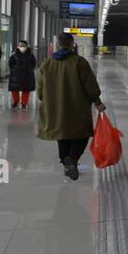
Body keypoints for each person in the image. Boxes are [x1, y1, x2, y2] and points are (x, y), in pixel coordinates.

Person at [37, 32, 105, 180]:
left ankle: (66, 161)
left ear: (57, 45)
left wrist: (44, 98)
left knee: (61, 134)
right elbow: (90, 85)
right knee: (82, 134)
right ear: (72, 44)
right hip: (77, 105)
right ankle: (72, 159)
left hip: (54, 106)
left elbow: (40, 88)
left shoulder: (47, 63)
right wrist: (97, 102)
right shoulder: (79, 62)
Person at [8, 40, 37, 109]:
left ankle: (24, 103)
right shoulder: (14, 55)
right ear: (18, 46)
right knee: (15, 90)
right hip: (16, 76)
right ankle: (16, 101)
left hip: (27, 75)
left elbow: (33, 63)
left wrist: (29, 70)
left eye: (24, 46)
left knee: (26, 90)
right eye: (20, 46)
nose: (22, 47)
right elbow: (10, 64)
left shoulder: (30, 55)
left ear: (27, 47)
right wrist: (15, 70)